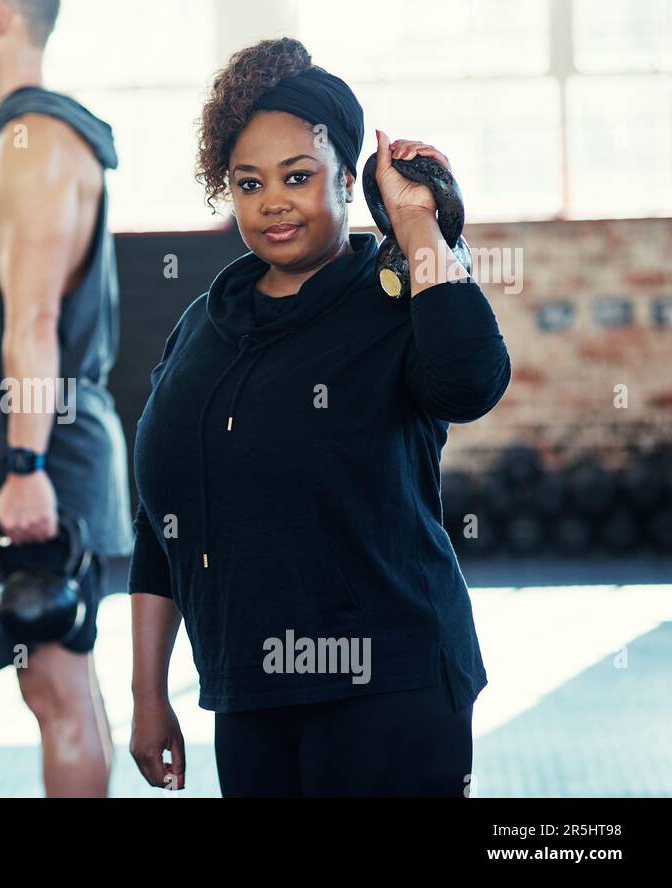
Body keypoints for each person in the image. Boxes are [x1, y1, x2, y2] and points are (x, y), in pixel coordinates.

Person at [128, 37, 512, 797]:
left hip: (389, 685)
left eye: (298, 177)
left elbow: (471, 381)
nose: (273, 201)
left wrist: (418, 226)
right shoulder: (203, 328)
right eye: (248, 183)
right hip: (247, 692)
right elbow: (158, 524)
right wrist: (147, 696)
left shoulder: (394, 299)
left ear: (347, 176)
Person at [0, 0, 133, 797]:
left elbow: (36, 319)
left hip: (47, 457)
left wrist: (25, 463)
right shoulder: (13, 140)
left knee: (57, 689)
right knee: (59, 685)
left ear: (0, 16)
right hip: (38, 453)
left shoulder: (35, 143)